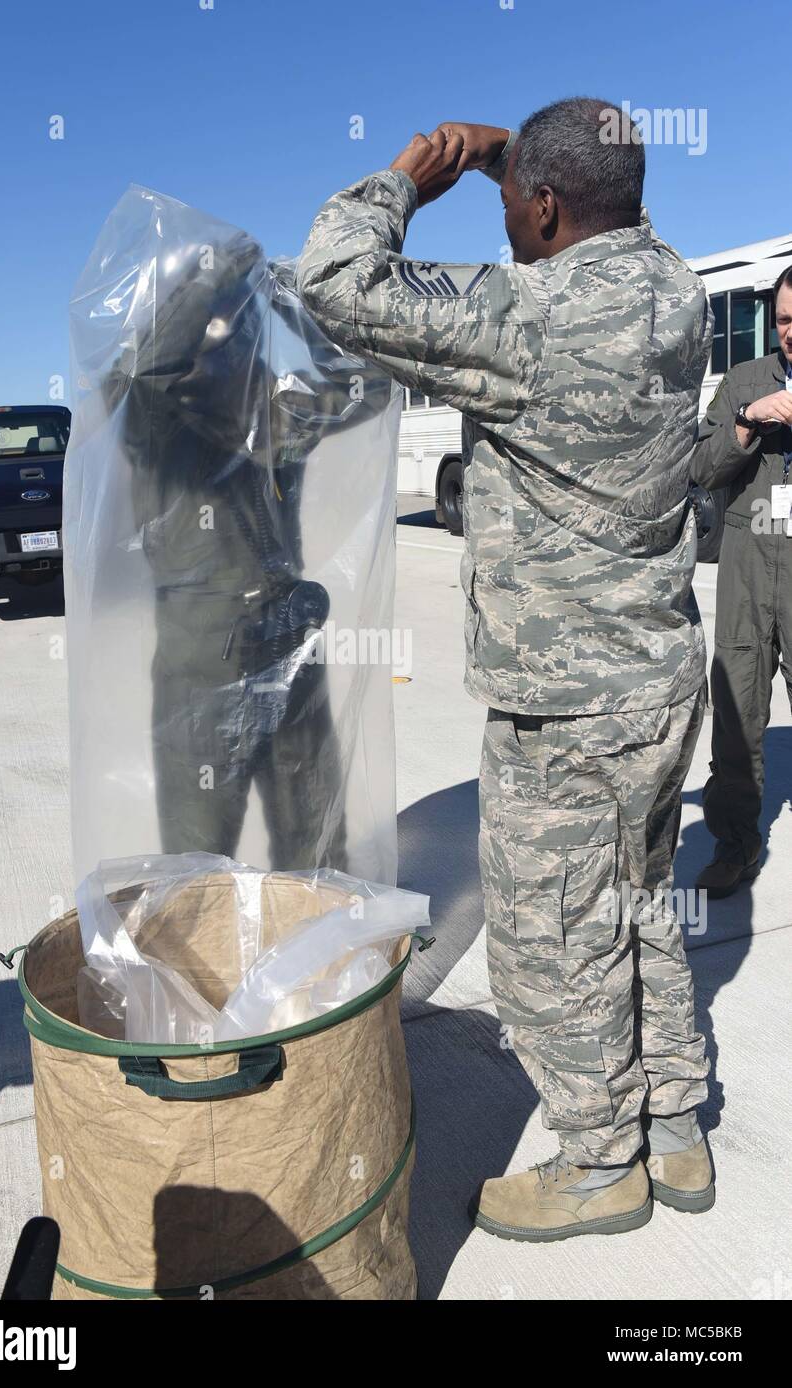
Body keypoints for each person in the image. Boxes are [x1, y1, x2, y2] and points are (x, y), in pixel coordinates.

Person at [297, 98, 714, 1241]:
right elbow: (604, 222)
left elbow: (333, 280)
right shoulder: (672, 290)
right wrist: (509, 173)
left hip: (561, 703)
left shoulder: (525, 318)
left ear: (542, 208)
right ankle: (674, 1126)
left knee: (553, 939)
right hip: (658, 678)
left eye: (521, 206)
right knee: (643, 903)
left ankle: (599, 1160)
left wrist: (408, 181)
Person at [101, 227, 387, 869]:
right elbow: (143, 367)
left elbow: (373, 384)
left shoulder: (277, 415)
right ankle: (201, 971)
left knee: (318, 848)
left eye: (251, 335)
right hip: (205, 659)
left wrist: (300, 304)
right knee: (197, 861)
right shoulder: (155, 417)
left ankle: (319, 960)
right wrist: (217, 272)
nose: (246, 350)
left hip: (289, 638)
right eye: (230, 335)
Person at [691, 267, 792, 897]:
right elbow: (702, 466)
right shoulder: (744, 382)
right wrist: (748, 422)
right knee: (737, 707)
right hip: (750, 563)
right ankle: (735, 843)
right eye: (784, 320)